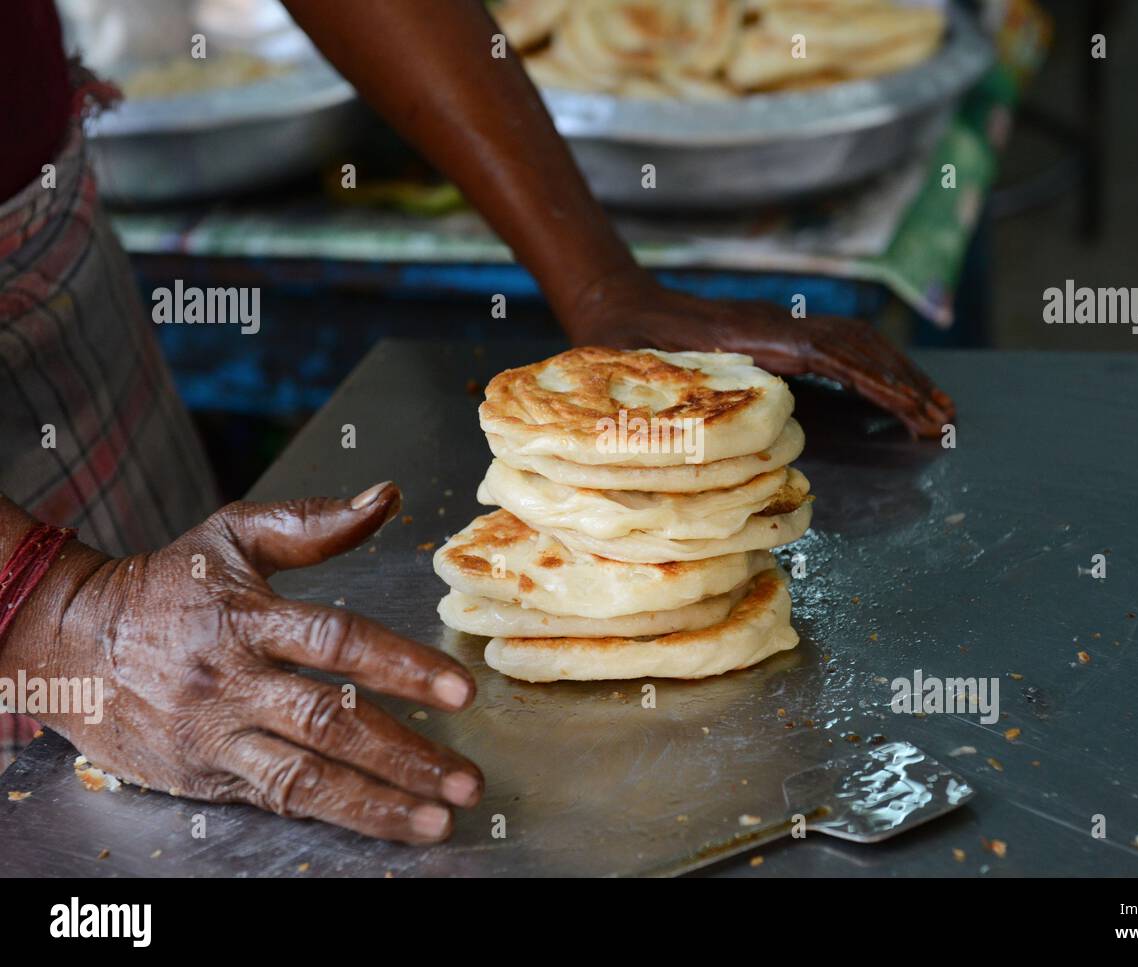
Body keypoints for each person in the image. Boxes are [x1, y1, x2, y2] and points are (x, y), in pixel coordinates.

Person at [0, 0, 955, 842]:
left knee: (182, 693)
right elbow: (81, 613)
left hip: (38, 235)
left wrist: (599, 283)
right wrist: (54, 605)